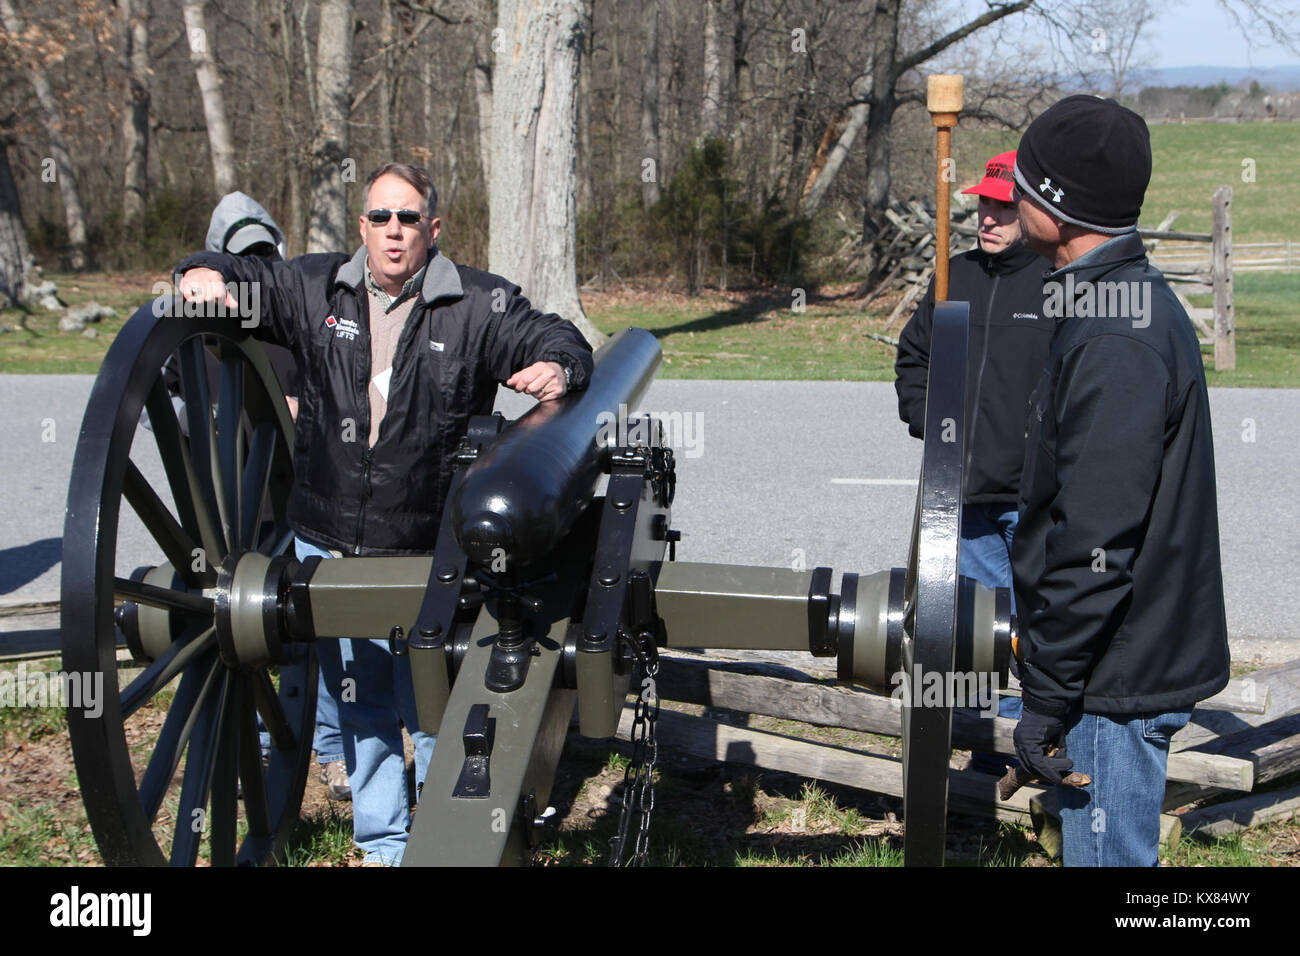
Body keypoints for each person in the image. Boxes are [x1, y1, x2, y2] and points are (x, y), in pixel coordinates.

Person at [174, 162, 594, 865]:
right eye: (379, 218)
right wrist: (202, 273)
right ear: (361, 226)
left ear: (433, 228)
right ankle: (384, 843)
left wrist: (558, 367)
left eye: (408, 219)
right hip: (326, 539)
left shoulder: (475, 304)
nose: (393, 232)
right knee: (363, 704)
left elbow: (554, 337)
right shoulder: (313, 287)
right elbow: (242, 274)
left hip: (425, 544)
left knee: (433, 700)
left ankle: (443, 839)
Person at [1008, 95, 1230, 866]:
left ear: (1062, 210)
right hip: (1113, 657)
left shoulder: (1113, 335)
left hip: (1116, 670)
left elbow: (1096, 540)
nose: (1015, 199)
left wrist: (1046, 694)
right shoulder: (1116, 302)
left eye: (1029, 187)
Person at [894, 151, 1053, 761]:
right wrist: (927, 422)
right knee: (975, 627)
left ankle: (1036, 742)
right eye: (982, 204)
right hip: (966, 492)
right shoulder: (950, 278)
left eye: (1002, 207)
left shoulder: (1052, 284)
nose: (987, 218)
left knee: (1036, 625)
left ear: (1029, 211)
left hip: (1035, 495)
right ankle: (982, 749)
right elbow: (914, 359)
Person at [202, 192, 351, 802]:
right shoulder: (202, 330)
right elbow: (173, 408)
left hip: (301, 500)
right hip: (237, 510)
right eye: (247, 256)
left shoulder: (299, 320)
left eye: (264, 255)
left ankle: (332, 748)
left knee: (317, 622)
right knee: (255, 623)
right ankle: (263, 743)